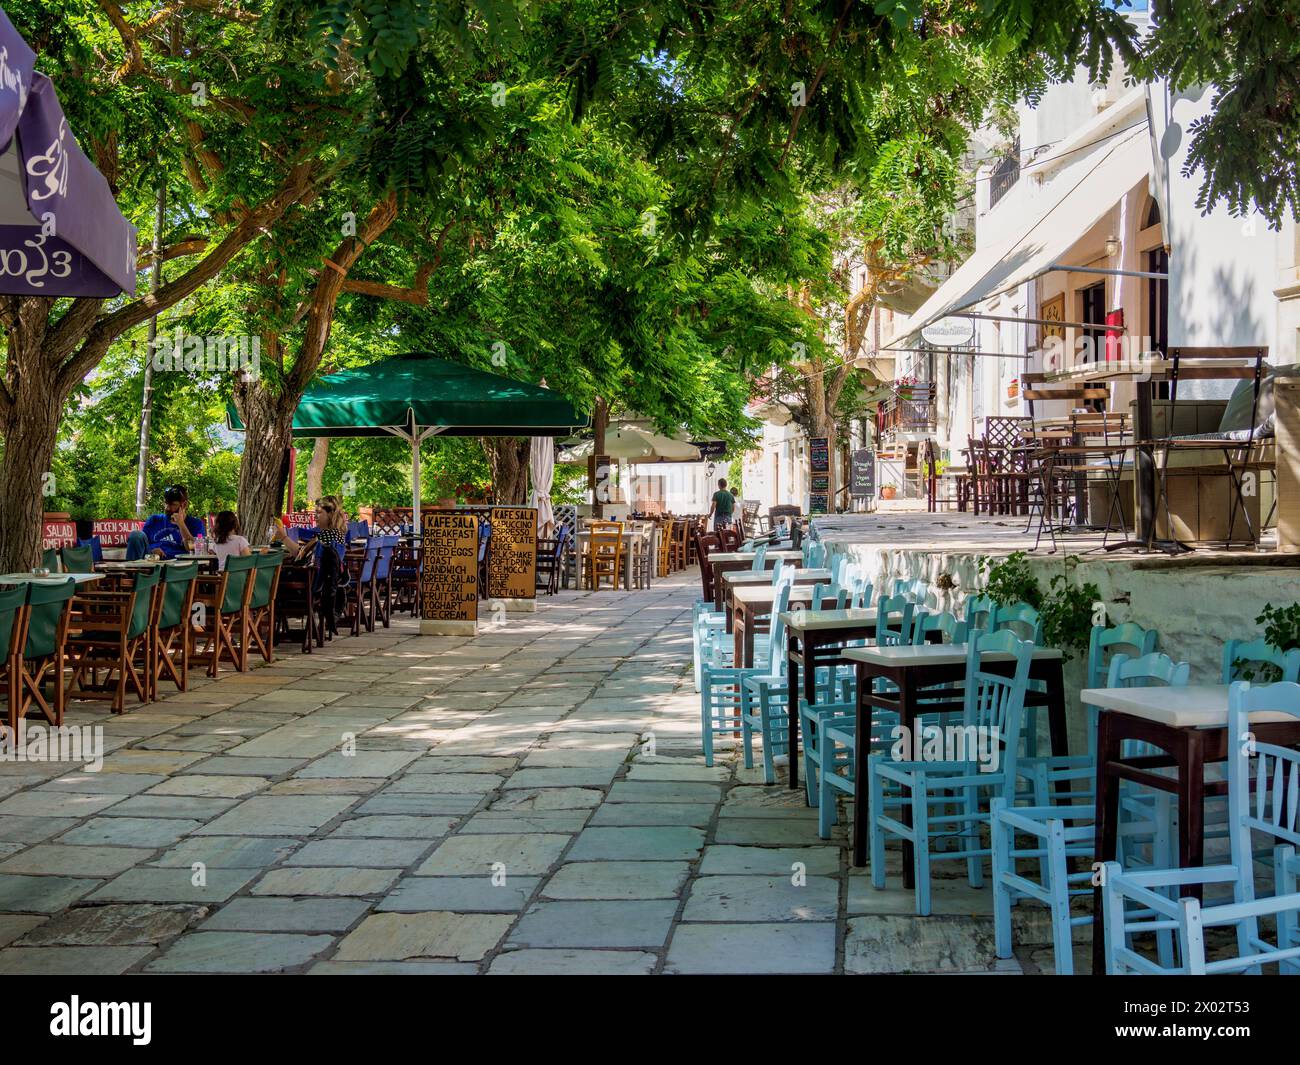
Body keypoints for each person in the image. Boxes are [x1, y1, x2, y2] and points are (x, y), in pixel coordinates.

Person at [126, 485, 205, 560]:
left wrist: (181, 524)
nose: (167, 508)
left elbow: (194, 549)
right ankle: (132, 572)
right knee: (135, 535)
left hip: (177, 566)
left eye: (172, 504)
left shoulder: (196, 524)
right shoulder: (154, 520)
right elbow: (141, 545)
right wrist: (151, 552)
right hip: (152, 562)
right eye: (166, 503)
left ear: (184, 505)